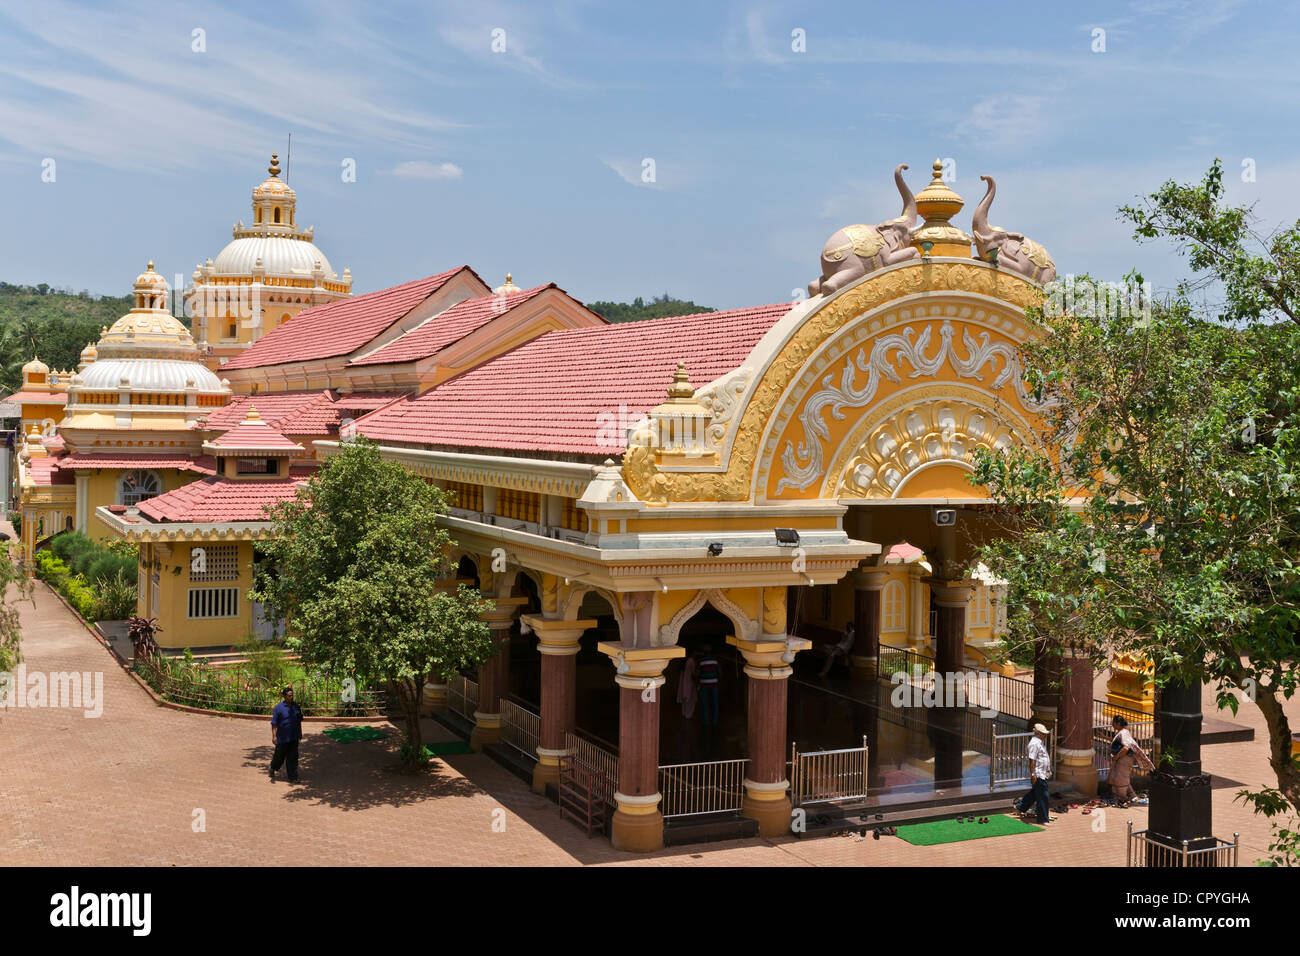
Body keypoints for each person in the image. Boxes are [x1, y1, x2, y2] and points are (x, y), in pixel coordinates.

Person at [1109, 715, 1154, 806]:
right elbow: (1119, 743)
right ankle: (1133, 797)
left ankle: (1122, 799)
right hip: (1122, 760)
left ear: (1118, 724)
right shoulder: (1122, 732)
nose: (1112, 724)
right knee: (1122, 779)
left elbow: (1126, 748)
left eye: (1113, 723)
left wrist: (1116, 757)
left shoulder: (1123, 733)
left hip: (1123, 760)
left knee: (1120, 780)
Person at [1013, 723, 1053, 824]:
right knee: (1043, 796)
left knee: (1035, 793)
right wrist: (1033, 774)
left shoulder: (1039, 742)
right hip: (1039, 774)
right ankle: (1043, 819)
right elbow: (1032, 760)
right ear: (1038, 733)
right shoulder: (1034, 743)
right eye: (1043, 733)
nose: (1045, 735)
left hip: (1043, 773)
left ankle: (1020, 807)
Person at [269, 686, 304, 783]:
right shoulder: (278, 708)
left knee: (293, 757)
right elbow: (274, 723)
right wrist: (274, 736)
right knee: (279, 756)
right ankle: (272, 768)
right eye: (289, 696)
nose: (291, 697)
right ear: (284, 696)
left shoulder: (296, 706)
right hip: (282, 737)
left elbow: (299, 721)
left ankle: (292, 777)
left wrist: (300, 733)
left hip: (294, 736)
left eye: (292, 695)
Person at [696, 644, 720, 727]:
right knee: (715, 703)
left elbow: (697, 673)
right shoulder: (715, 660)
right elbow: (720, 672)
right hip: (714, 684)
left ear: (703, 651)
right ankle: (715, 721)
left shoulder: (701, 661)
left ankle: (706, 722)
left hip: (704, 684)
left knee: (704, 703)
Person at [676, 652, 699, 720]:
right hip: (689, 683)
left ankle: (685, 714)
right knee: (690, 700)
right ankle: (688, 715)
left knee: (685, 700)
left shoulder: (684, 661)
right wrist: (697, 681)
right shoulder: (691, 661)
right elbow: (693, 674)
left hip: (684, 683)